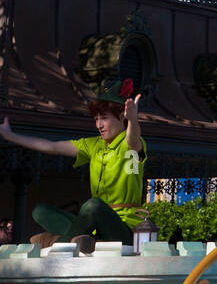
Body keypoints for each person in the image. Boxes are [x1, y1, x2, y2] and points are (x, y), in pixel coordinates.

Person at [0, 80, 146, 252]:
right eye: (96, 119)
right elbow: (52, 146)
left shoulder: (130, 144)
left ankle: (57, 243)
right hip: (92, 227)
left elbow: (133, 139)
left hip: (123, 230)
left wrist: (133, 121)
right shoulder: (93, 145)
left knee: (94, 206)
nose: (99, 125)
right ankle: (82, 239)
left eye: (104, 118)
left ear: (122, 117)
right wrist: (10, 136)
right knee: (40, 211)